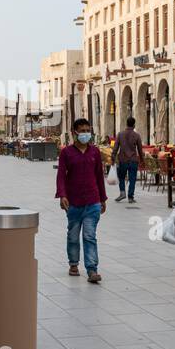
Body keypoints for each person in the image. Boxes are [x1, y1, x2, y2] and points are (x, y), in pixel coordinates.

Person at [56, 117, 106, 283]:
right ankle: (73, 263)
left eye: (87, 130)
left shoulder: (95, 152)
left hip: (93, 201)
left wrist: (103, 198)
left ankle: (92, 270)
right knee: (73, 235)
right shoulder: (66, 153)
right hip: (74, 202)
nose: (85, 134)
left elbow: (99, 176)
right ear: (74, 133)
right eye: (82, 131)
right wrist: (62, 195)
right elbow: (61, 176)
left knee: (90, 236)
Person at [113, 117, 143, 204]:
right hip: (133, 160)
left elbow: (115, 148)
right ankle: (130, 197)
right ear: (134, 125)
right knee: (132, 179)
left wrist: (113, 157)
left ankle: (122, 192)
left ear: (126, 124)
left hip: (123, 160)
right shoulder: (137, 135)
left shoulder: (120, 134)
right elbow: (140, 150)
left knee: (121, 177)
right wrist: (142, 160)